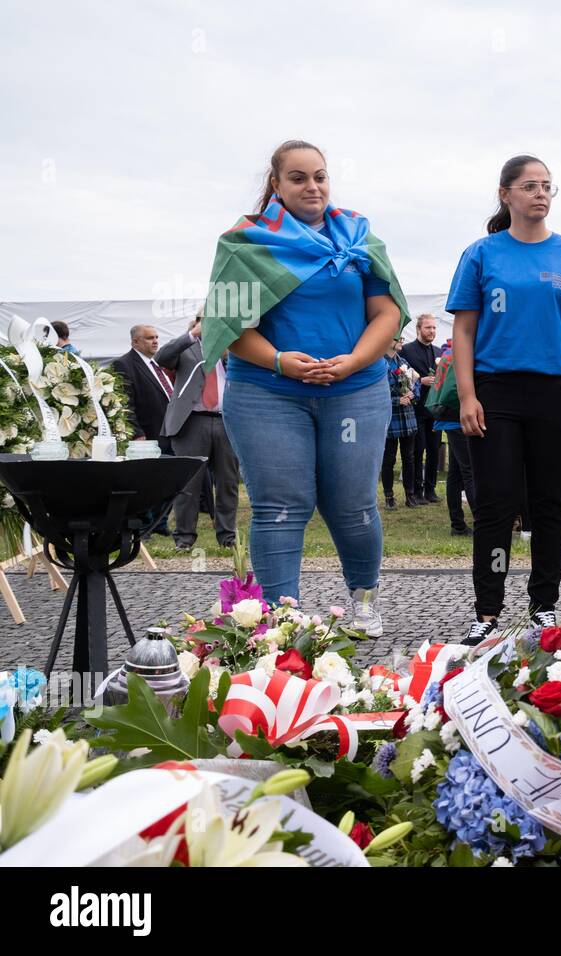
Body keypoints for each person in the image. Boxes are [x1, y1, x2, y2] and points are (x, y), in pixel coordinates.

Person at [202, 139, 409, 636]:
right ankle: (277, 620)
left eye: (320, 176)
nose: (312, 186)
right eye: (298, 178)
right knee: (279, 504)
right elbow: (229, 326)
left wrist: (355, 361)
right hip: (267, 391)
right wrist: (279, 361)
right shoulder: (247, 241)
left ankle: (363, 603)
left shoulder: (359, 236)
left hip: (355, 388)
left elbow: (387, 313)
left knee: (352, 501)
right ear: (276, 184)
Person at [448, 154, 561, 645]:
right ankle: (488, 611)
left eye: (547, 186)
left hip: (557, 391)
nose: (540, 194)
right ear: (506, 194)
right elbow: (464, 329)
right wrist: (467, 396)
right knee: (496, 504)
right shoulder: (481, 254)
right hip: (496, 391)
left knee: (550, 504)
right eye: (529, 186)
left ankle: (545, 605)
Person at [156, 312, 239, 550]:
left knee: (228, 482)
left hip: (226, 420)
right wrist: (193, 334)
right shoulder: (187, 347)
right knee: (188, 483)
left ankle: (227, 536)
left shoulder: (231, 347)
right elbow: (162, 357)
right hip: (192, 421)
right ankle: (184, 538)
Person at [113, 323, 175, 538]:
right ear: (135, 342)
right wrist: (137, 433)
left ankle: (160, 522)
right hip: (146, 434)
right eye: (149, 338)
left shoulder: (156, 365)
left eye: (157, 337)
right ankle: (142, 524)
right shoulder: (123, 364)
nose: (155, 341)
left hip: (168, 431)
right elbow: (124, 402)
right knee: (146, 483)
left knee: (168, 480)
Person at [426, 348, 475, 535]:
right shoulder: (464, 352)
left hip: (448, 416)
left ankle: (458, 524)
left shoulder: (449, 352)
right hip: (458, 417)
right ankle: (482, 522)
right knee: (470, 470)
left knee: (456, 473)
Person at [400, 313, 442, 505]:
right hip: (416, 409)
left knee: (434, 449)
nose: (432, 331)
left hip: (435, 409)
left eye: (434, 328)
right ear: (418, 329)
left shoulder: (439, 351)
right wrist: (420, 380)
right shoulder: (407, 350)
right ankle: (416, 490)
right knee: (418, 450)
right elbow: (401, 376)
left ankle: (430, 489)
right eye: (428, 328)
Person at [381, 337, 422, 508]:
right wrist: (398, 401)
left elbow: (416, 382)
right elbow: (376, 394)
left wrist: (414, 394)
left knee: (409, 458)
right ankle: (389, 496)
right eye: (398, 337)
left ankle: (410, 495)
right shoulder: (379, 364)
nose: (402, 340)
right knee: (389, 459)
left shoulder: (403, 361)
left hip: (407, 418)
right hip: (391, 418)